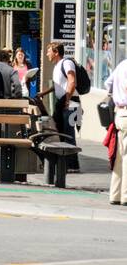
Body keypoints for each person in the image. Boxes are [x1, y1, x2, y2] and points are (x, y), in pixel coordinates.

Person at [49, 41, 81, 172]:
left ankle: (73, 165)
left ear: (56, 52)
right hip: (64, 100)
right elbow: (58, 85)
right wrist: (43, 93)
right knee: (61, 131)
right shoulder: (57, 66)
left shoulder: (67, 63)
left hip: (72, 101)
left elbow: (72, 81)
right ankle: (64, 163)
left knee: (69, 133)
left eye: (49, 51)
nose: (47, 54)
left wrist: (67, 100)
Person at [106, 57, 127, 205]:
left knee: (119, 155)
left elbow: (108, 83)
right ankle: (125, 196)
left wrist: (115, 95)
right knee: (125, 156)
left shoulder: (121, 65)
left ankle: (115, 194)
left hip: (119, 113)